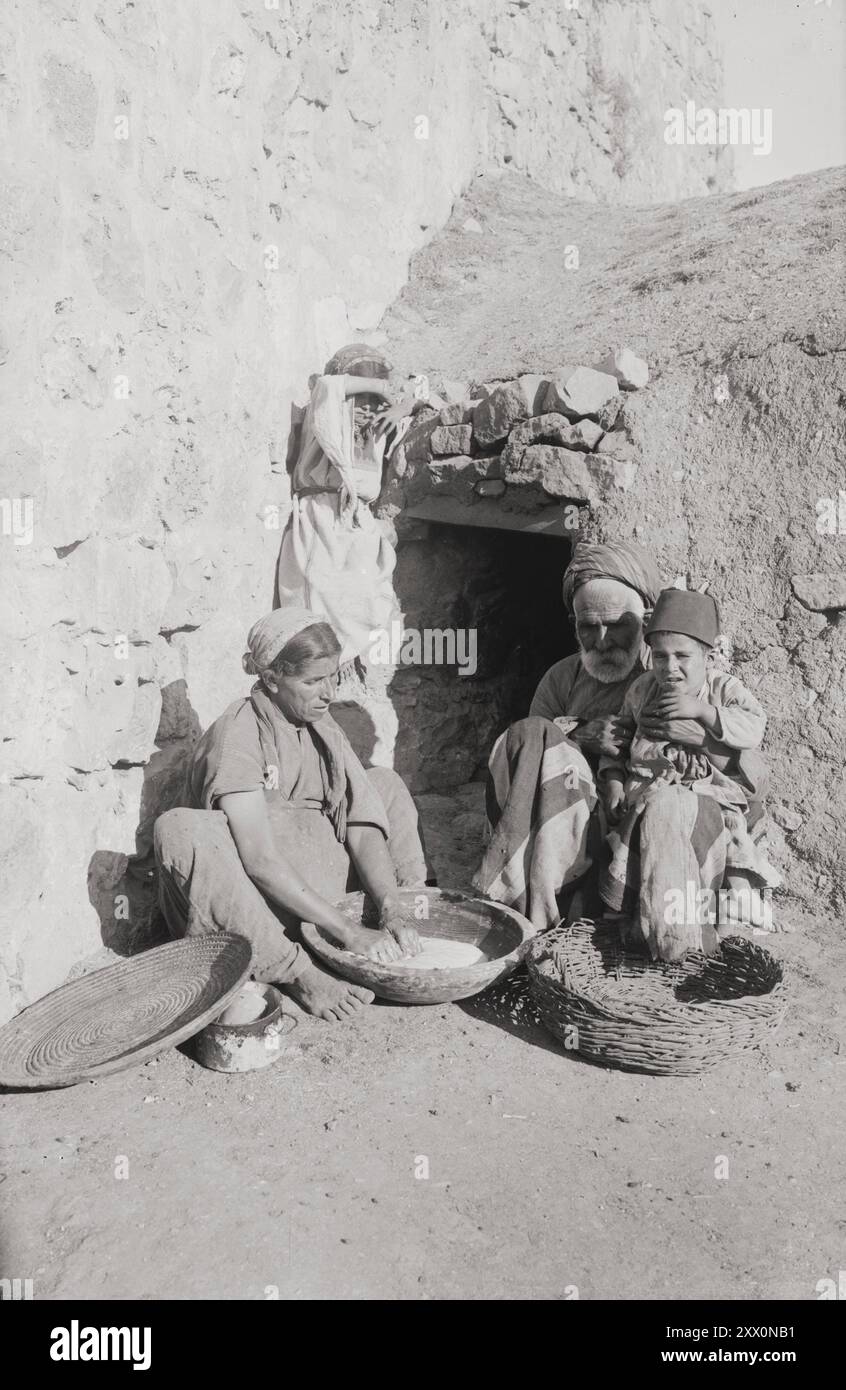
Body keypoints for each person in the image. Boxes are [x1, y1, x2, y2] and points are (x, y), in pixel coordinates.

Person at [153, 608, 430, 1023]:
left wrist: (390, 905)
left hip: (315, 890)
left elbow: (361, 820)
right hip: (255, 906)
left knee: (384, 783)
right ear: (271, 678)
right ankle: (300, 974)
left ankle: (405, 919)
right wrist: (349, 931)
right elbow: (259, 861)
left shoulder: (320, 724)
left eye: (333, 676)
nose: (329, 692)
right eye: (313, 681)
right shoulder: (239, 734)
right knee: (179, 829)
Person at [472, 539, 664, 930]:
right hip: (554, 821)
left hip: (622, 822)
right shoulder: (561, 678)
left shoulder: (662, 678)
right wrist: (580, 734)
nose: (603, 640)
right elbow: (527, 751)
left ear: (644, 620)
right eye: (589, 627)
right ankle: (524, 897)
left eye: (617, 625)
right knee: (529, 733)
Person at [598, 588, 779, 959]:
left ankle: (717, 916)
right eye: (660, 657)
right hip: (648, 793)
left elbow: (753, 728)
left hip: (707, 794)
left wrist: (702, 713)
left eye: (683, 656)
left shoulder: (723, 689)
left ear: (707, 656)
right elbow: (621, 740)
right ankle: (635, 921)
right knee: (637, 836)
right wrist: (615, 783)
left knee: (727, 828)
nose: (670, 668)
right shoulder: (642, 689)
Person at [274, 343, 431, 765]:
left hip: (357, 526)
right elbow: (328, 386)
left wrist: (401, 406)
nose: (365, 412)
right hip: (322, 522)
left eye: (372, 405)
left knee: (364, 602)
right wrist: (383, 388)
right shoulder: (322, 420)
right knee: (317, 607)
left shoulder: (379, 430)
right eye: (358, 403)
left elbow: (427, 390)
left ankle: (342, 695)